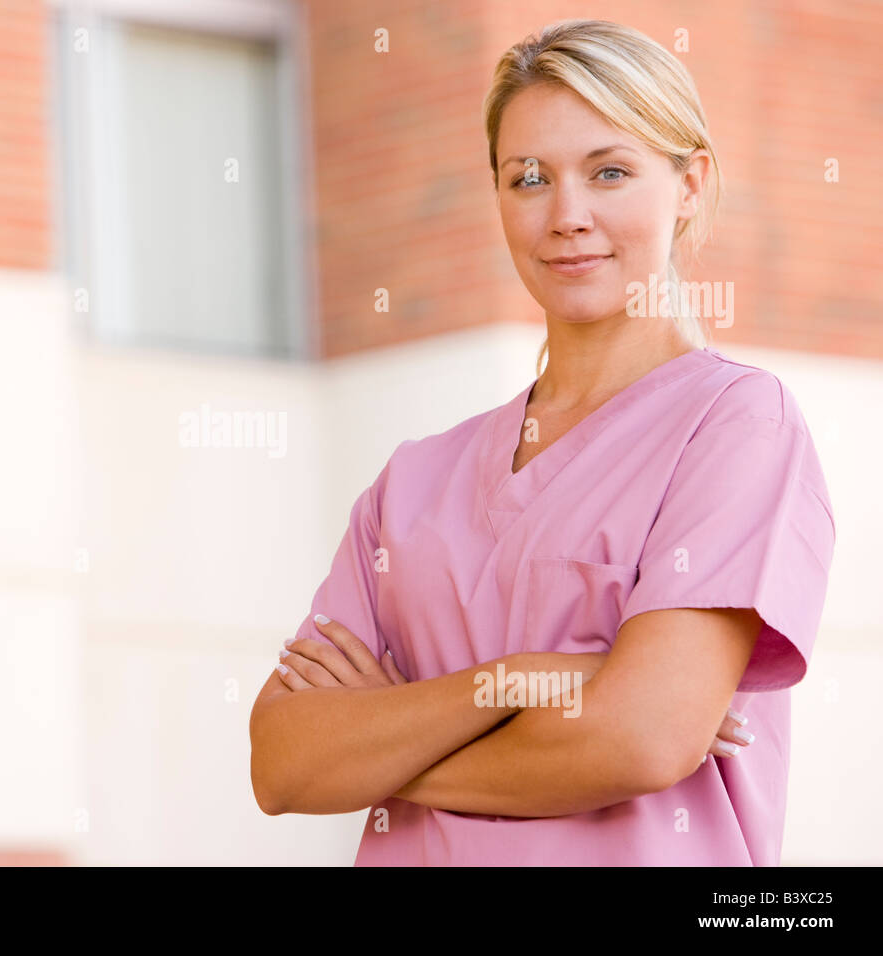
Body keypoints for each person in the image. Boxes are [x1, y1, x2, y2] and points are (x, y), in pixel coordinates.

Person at [248, 19, 835, 866]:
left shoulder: (736, 426)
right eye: (528, 178)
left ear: (691, 186)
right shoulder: (413, 484)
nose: (567, 216)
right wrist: (515, 678)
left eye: (610, 172)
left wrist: (385, 751)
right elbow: (285, 764)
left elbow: (638, 741)